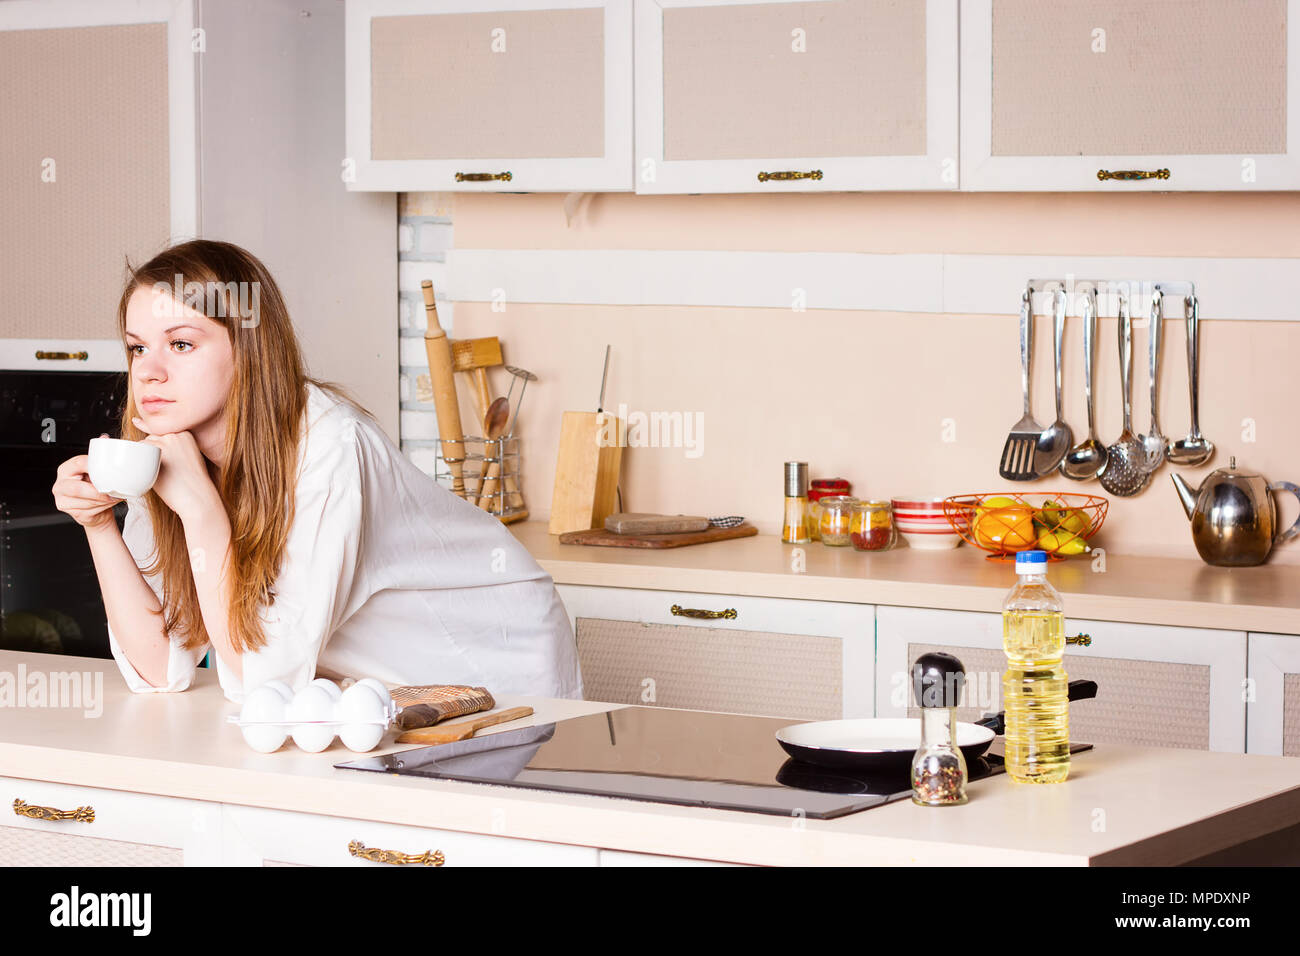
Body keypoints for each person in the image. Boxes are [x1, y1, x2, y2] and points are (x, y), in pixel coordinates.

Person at [51, 239, 583, 702]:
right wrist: (99, 527)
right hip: (365, 689)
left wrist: (202, 513)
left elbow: (264, 679)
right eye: (137, 347)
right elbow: (160, 669)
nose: (148, 370)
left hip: (490, 664)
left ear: (249, 348)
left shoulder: (329, 445)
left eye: (182, 343)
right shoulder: (165, 451)